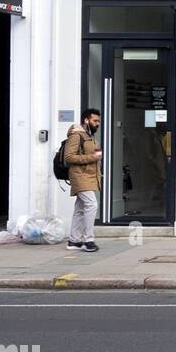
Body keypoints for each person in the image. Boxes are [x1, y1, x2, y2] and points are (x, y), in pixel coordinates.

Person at [64, 108, 103, 253]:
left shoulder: (90, 136)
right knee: (92, 204)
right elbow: (68, 157)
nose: (97, 123)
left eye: (98, 121)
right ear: (86, 120)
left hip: (89, 176)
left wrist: (97, 155)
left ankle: (74, 241)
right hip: (79, 176)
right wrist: (91, 157)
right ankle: (88, 240)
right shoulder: (76, 136)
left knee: (80, 209)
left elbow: (93, 154)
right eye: (95, 120)